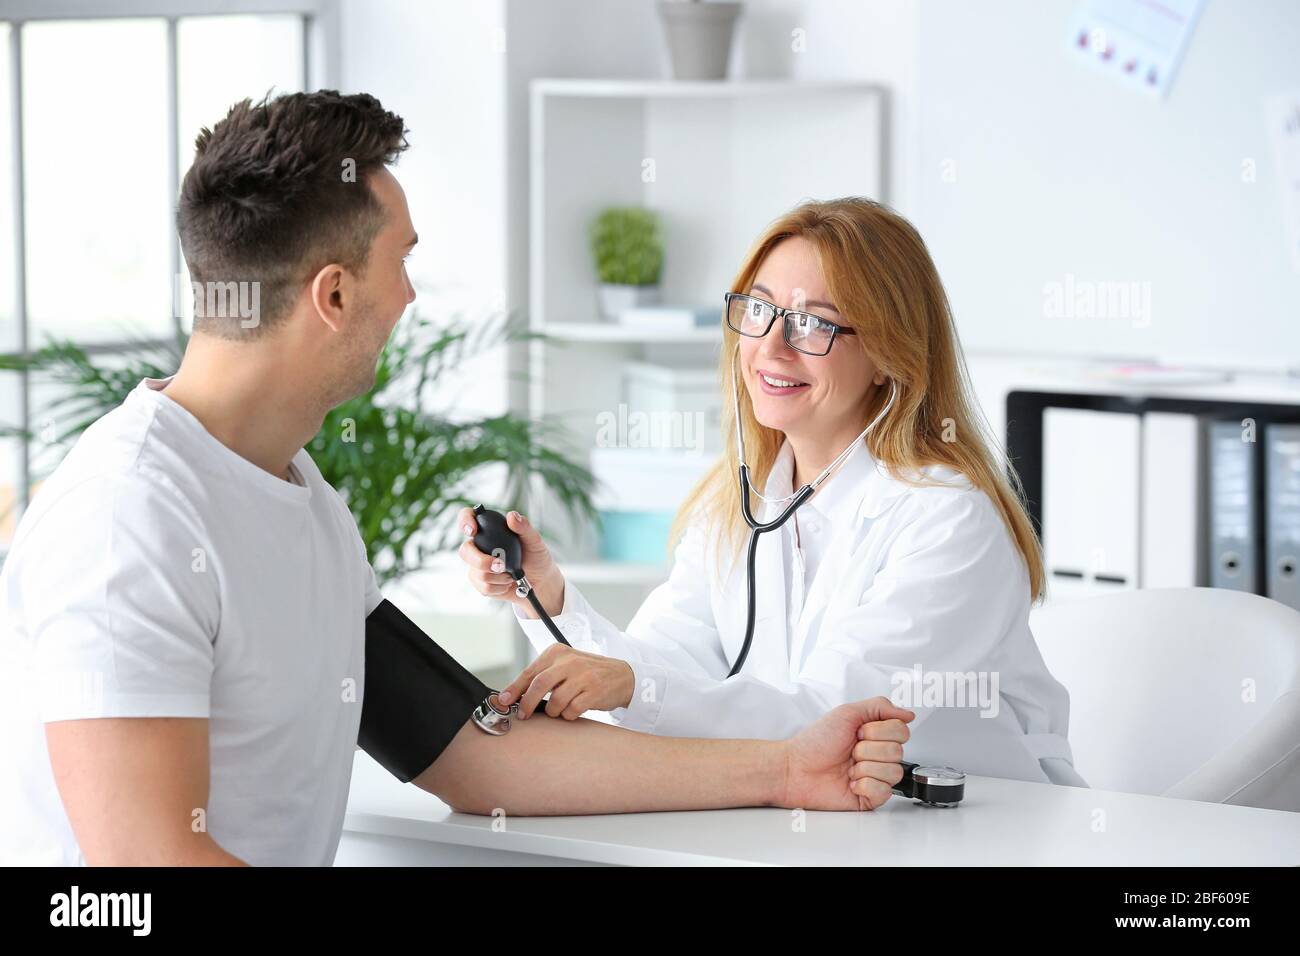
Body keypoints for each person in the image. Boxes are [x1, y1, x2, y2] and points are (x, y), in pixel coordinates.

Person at [0, 91, 914, 867]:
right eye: (400, 261)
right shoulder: (130, 518)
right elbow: (147, 872)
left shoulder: (302, 502)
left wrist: (787, 769)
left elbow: (477, 757)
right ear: (332, 294)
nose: (409, 297)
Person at [459, 198, 1086, 788]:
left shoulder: (948, 518)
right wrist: (547, 597)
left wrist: (634, 688)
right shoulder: (742, 506)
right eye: (759, 310)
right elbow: (659, 671)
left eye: (815, 323)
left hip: (986, 833)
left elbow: (827, 720)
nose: (771, 346)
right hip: (825, 826)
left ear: (890, 356)